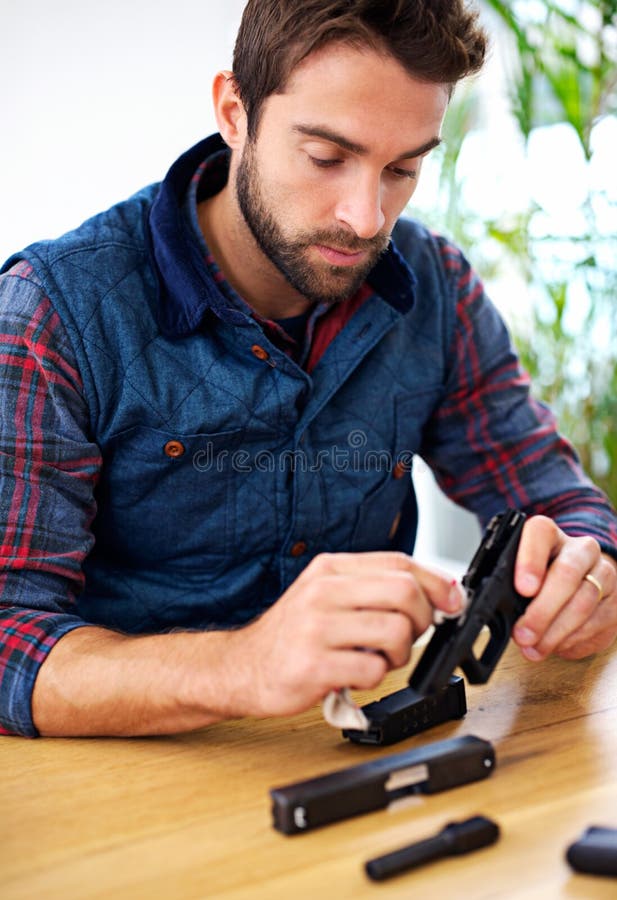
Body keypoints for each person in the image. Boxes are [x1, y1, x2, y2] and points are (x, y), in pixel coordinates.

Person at [1, 0, 616, 739]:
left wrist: (587, 571)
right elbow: (9, 643)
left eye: (402, 168)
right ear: (235, 110)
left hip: (351, 764)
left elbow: (558, 502)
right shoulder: (50, 314)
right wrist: (239, 666)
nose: (364, 216)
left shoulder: (437, 287)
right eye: (326, 157)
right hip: (118, 792)